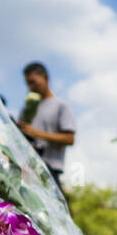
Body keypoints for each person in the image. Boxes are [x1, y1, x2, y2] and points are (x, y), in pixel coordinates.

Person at [17, 62, 76, 192]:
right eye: (28, 83)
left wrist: (37, 134)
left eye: (33, 82)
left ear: (45, 78)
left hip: (49, 170)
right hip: (26, 169)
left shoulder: (61, 106)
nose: (30, 87)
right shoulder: (27, 108)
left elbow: (70, 139)